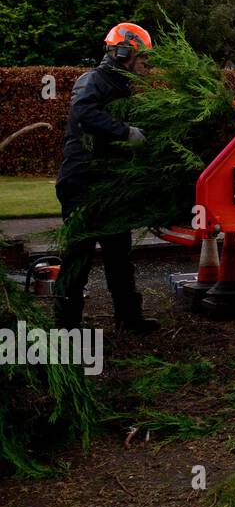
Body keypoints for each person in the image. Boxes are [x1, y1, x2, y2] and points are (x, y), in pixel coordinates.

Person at [53, 23, 160, 333]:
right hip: (83, 184)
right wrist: (125, 132)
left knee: (119, 257)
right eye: (142, 59)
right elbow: (83, 112)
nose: (146, 65)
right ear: (123, 53)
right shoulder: (93, 81)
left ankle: (129, 318)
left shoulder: (120, 89)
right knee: (78, 258)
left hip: (108, 185)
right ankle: (66, 326)